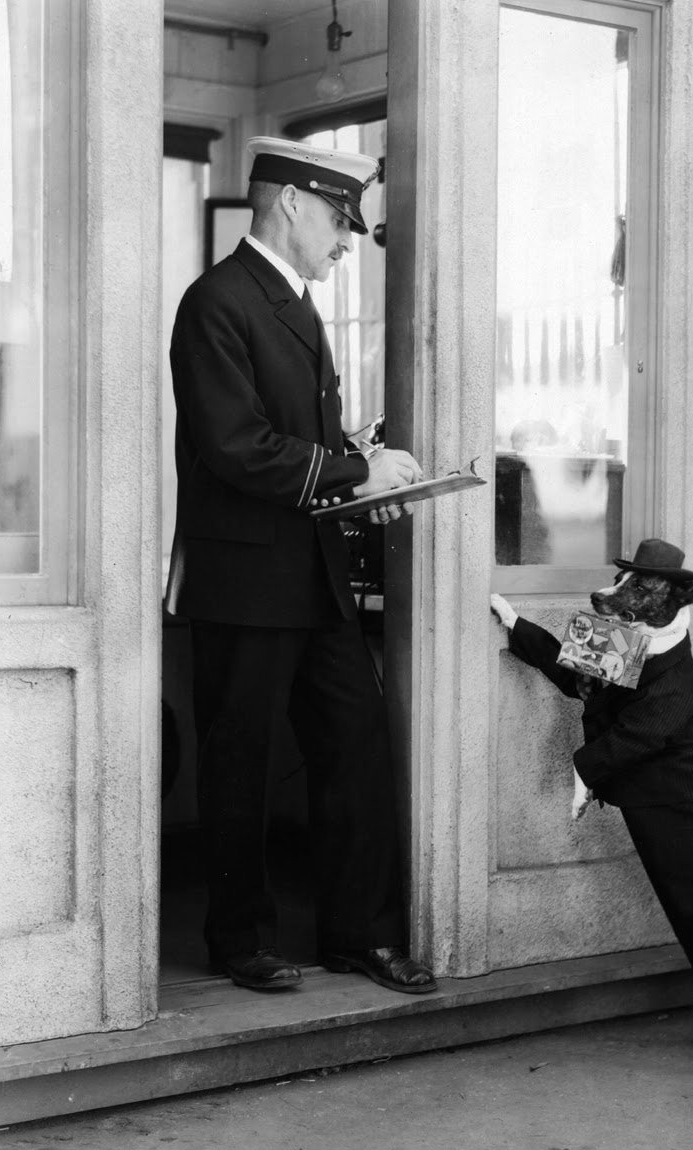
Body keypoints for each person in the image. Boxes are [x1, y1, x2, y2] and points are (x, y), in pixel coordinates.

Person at [164, 136, 436, 995]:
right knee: (239, 762)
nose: (346, 240)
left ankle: (358, 933)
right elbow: (237, 447)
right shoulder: (216, 301)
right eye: (337, 219)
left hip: (307, 573)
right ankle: (239, 942)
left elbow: (296, 446)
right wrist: (356, 470)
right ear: (289, 202)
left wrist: (360, 473)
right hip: (244, 583)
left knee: (356, 742)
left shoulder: (291, 304)